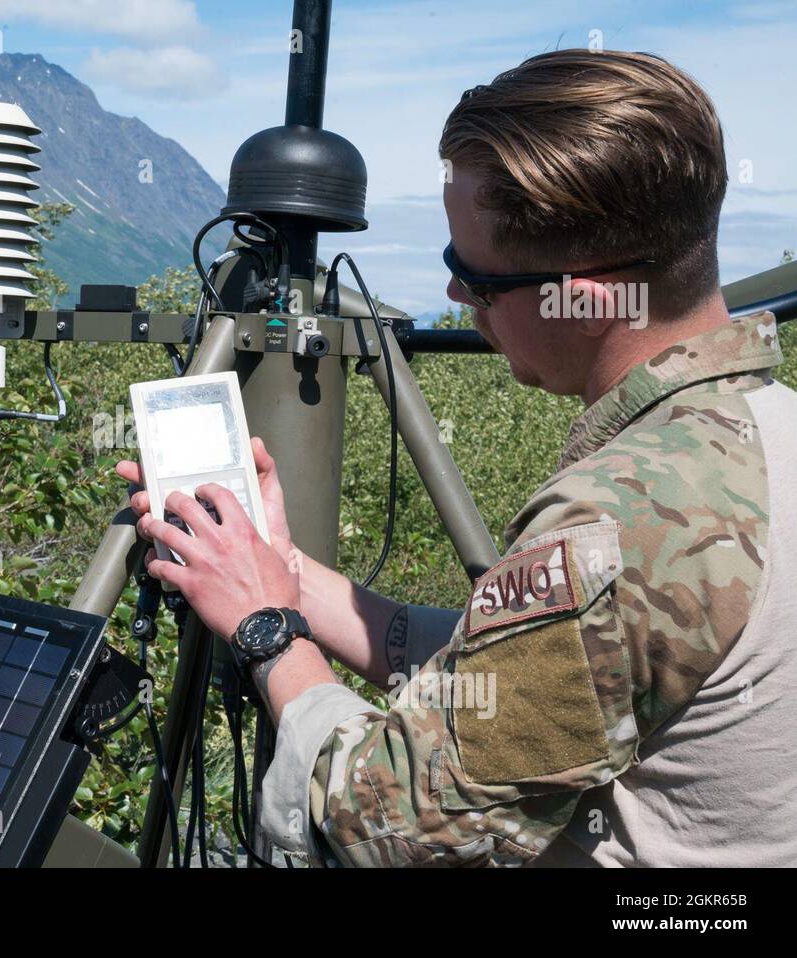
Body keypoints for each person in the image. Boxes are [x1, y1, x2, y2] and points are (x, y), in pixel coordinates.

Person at [118, 49, 797, 866]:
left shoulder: (624, 519)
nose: (454, 300)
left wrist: (268, 633)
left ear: (581, 300)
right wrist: (282, 572)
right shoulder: (758, 434)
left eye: (471, 277)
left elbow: (384, 825)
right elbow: (537, 668)